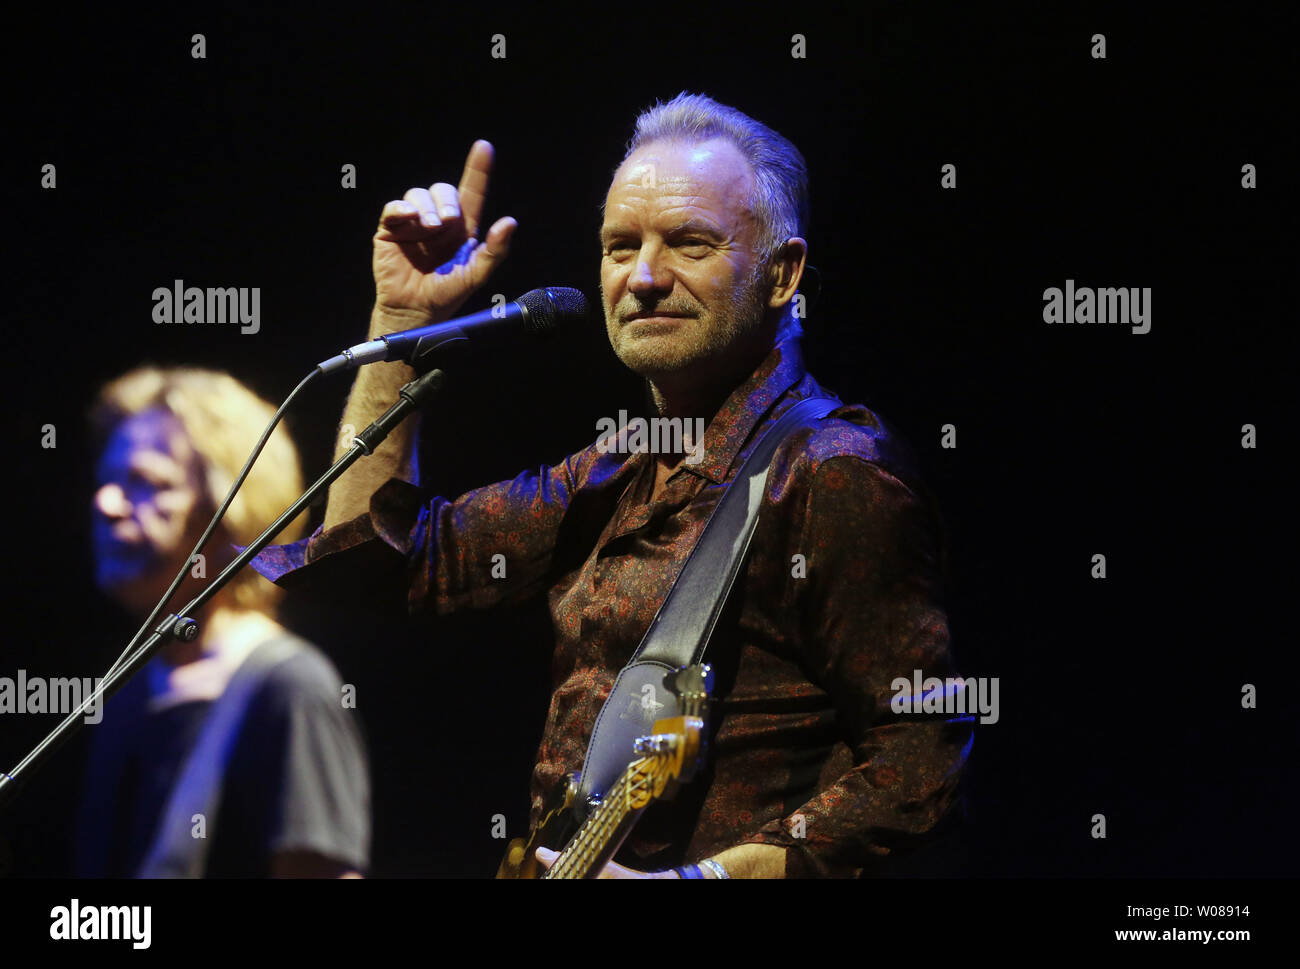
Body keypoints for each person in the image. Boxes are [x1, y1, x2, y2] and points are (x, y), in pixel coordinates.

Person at [253, 92, 973, 878]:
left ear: (783, 273)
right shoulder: (612, 474)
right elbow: (378, 559)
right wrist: (397, 323)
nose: (645, 276)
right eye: (619, 245)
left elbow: (921, 755)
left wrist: (707, 880)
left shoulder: (833, 473)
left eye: (690, 243)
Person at [78, 367, 370, 878]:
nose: (106, 503)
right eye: (107, 479)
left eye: (145, 482)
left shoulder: (290, 689)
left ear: (231, 509)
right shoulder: (129, 694)